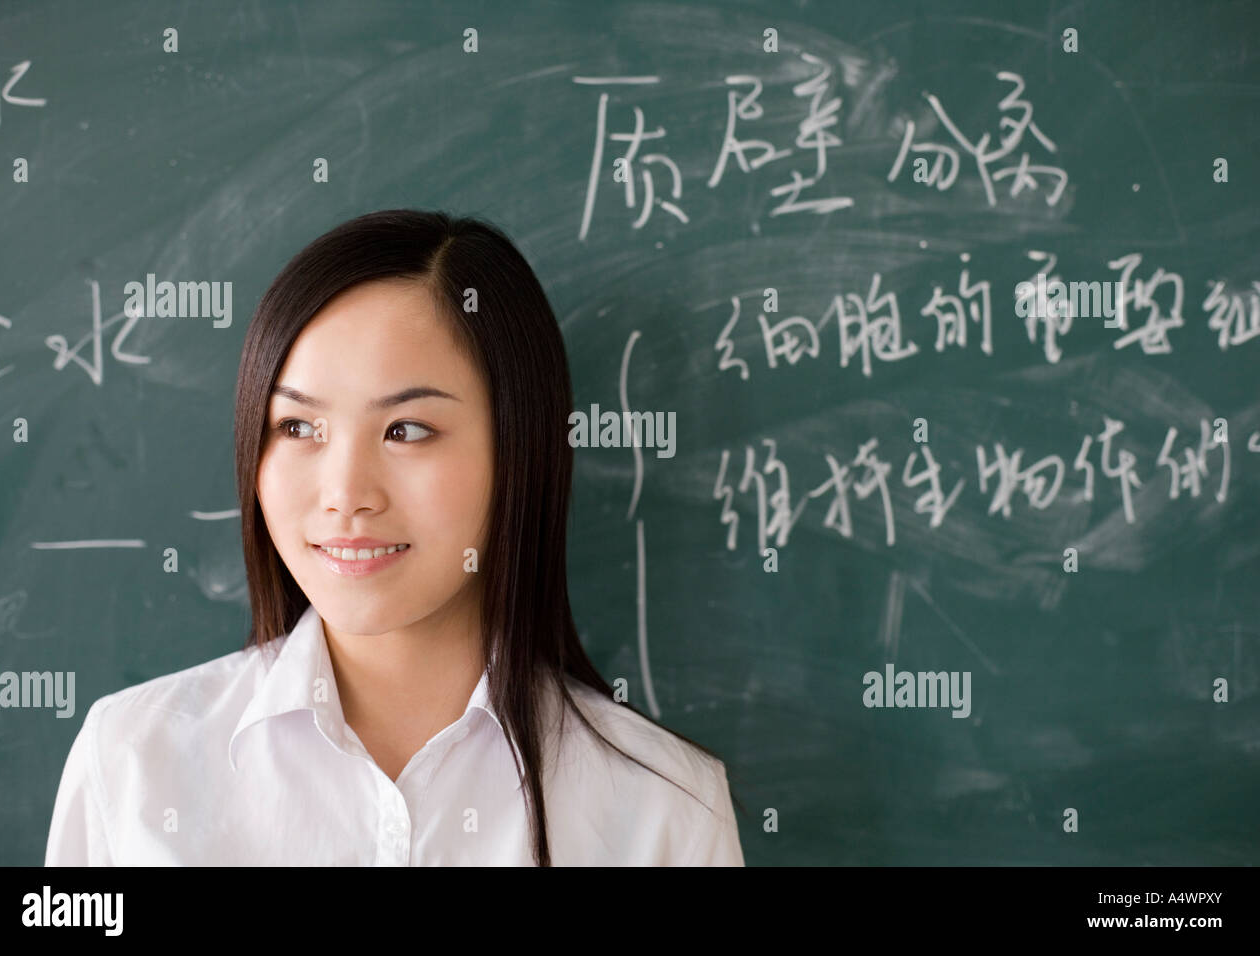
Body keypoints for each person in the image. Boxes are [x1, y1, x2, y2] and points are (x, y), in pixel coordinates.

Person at [44, 209, 744, 866]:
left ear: (520, 451)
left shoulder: (666, 811)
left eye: (407, 431)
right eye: (299, 428)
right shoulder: (132, 765)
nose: (346, 494)